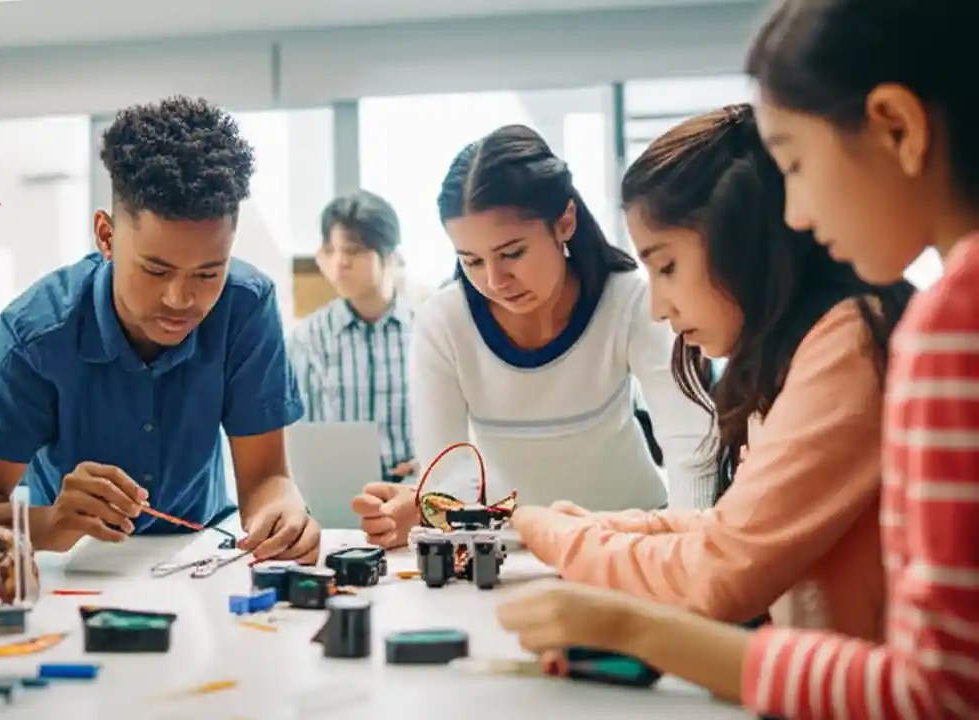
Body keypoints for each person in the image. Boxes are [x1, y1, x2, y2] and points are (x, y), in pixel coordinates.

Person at [496, 1, 979, 717]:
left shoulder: (931, 324)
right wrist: (585, 529)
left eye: (796, 164)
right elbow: (740, 533)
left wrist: (625, 620)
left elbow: (937, 690)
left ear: (898, 128)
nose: (795, 216)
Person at [511, 104, 912, 638]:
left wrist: (561, 537)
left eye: (668, 266)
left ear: (743, 241)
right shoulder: (795, 354)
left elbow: (721, 572)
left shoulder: (850, 344)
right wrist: (609, 526)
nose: (658, 306)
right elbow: (742, 526)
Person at [0, 97, 320, 563]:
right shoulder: (36, 333)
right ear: (106, 236)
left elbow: (266, 477)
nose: (180, 300)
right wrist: (50, 522)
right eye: (156, 270)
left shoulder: (246, 304)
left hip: (199, 557)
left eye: (208, 273)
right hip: (67, 565)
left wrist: (281, 514)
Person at [353, 124, 716, 549]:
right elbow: (448, 472)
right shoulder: (443, 322)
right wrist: (426, 513)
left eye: (512, 254)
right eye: (471, 260)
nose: (495, 280)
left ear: (564, 222)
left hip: (631, 538)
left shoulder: (629, 299)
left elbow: (690, 439)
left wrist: (691, 543)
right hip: (509, 548)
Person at [289, 190, 415, 484]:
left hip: (417, 493)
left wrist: (433, 462)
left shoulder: (424, 331)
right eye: (330, 250)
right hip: (339, 497)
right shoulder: (308, 339)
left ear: (388, 257)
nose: (340, 263)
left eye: (354, 250)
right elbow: (300, 434)